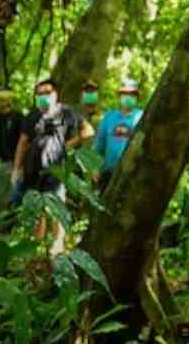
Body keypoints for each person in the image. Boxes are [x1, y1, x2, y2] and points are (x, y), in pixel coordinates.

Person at [11, 77, 84, 254]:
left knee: (57, 208)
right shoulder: (32, 116)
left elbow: (88, 131)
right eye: (39, 93)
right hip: (33, 170)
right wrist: (16, 168)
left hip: (56, 170)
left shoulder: (66, 112)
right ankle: (35, 248)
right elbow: (23, 142)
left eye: (47, 92)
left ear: (56, 94)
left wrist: (68, 145)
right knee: (38, 210)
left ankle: (57, 248)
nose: (43, 96)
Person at [94, 77, 143, 192]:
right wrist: (95, 168)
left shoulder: (141, 117)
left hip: (130, 174)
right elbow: (99, 144)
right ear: (120, 96)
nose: (128, 97)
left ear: (136, 97)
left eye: (132, 95)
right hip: (107, 172)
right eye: (125, 94)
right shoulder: (109, 117)